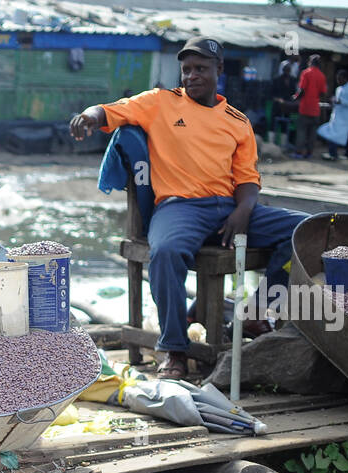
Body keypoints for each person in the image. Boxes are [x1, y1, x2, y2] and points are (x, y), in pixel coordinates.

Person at [70, 37, 307, 380]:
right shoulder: (159, 102)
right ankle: (175, 350)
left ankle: (257, 311)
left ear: (219, 70)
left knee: (305, 230)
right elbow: (110, 110)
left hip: (229, 208)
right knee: (166, 252)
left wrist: (243, 211)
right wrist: (88, 118)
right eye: (186, 70)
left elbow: (247, 179)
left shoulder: (237, 121)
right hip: (179, 207)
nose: (192, 76)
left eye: (201, 69)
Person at [290, 54, 327, 159]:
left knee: (301, 131)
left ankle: (298, 152)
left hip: (305, 107)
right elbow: (323, 93)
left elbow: (302, 90)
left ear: (310, 62)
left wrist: (295, 97)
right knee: (312, 133)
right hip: (315, 109)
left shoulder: (306, 73)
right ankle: (309, 153)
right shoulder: (322, 76)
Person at [318, 69, 348, 161]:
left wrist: (342, 102)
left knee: (346, 136)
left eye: (340, 79)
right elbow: (337, 102)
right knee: (333, 134)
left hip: (347, 118)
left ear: (345, 78)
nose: (338, 81)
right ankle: (333, 153)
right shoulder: (338, 89)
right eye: (337, 79)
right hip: (338, 117)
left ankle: (346, 154)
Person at [272, 60, 299, 148]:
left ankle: (283, 145)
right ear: (283, 70)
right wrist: (278, 99)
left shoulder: (293, 80)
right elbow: (272, 94)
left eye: (288, 70)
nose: (287, 72)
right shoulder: (276, 80)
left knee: (285, 126)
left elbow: (294, 93)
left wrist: (292, 101)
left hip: (288, 106)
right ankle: (272, 144)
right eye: (285, 70)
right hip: (277, 106)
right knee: (274, 125)